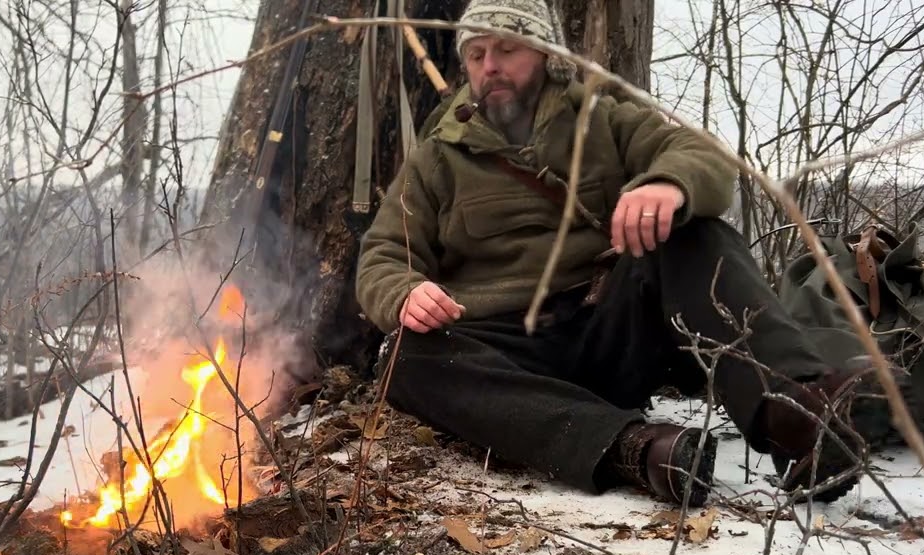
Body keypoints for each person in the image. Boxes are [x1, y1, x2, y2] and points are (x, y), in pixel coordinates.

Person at [354, 0, 890, 506]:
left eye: (506, 49)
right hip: (508, 350)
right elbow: (382, 252)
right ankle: (632, 449)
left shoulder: (603, 117)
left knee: (696, 234)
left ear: (544, 53)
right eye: (476, 54)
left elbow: (701, 154)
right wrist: (404, 291)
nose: (489, 65)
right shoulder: (436, 157)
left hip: (610, 323)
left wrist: (669, 183)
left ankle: (795, 418)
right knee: (405, 358)